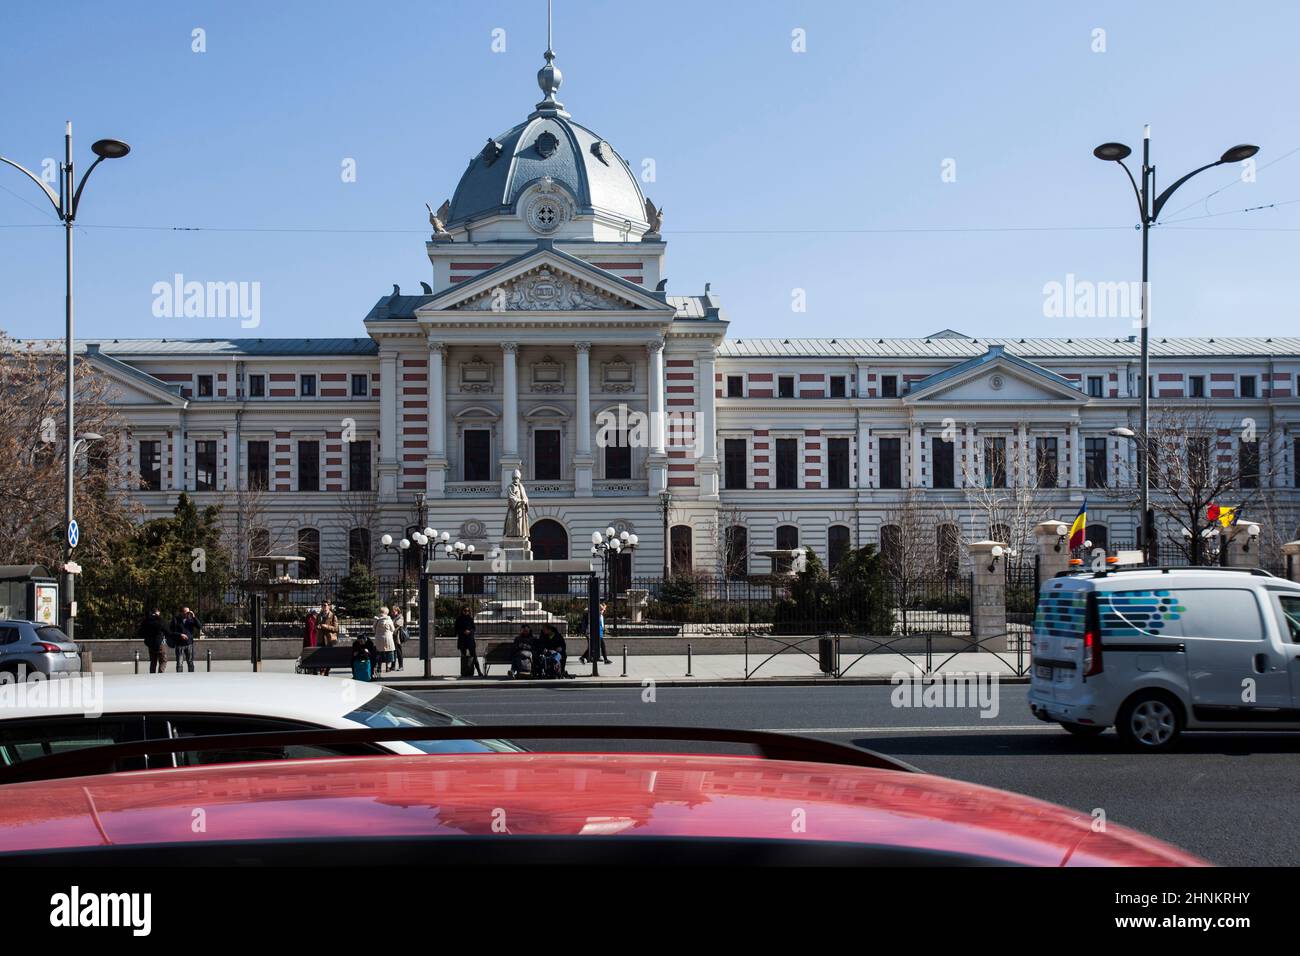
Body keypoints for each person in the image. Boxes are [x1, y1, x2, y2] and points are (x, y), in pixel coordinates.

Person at [454, 605, 483, 677]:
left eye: (468, 611)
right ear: (462, 611)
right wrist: (463, 631)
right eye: (465, 611)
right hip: (462, 640)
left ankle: (479, 671)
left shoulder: (470, 619)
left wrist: (469, 631)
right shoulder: (459, 619)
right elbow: (456, 630)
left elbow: (474, 628)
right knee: (463, 657)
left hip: (470, 640)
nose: (466, 612)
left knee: (474, 656)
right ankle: (464, 671)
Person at [137, 609, 168, 674]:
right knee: (163, 660)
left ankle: (152, 675)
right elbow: (166, 629)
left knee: (153, 661)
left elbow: (140, 632)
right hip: (160, 643)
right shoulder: (159, 620)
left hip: (151, 644)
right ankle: (160, 674)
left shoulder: (146, 621)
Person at [172, 606, 201, 672]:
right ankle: (179, 678)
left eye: (188, 612)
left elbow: (199, 626)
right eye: (186, 612)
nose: (187, 614)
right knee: (179, 663)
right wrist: (180, 635)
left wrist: (194, 617)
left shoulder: (191, 620)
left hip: (189, 644)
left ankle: (191, 677)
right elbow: (171, 631)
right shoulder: (176, 620)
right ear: (182, 613)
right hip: (179, 644)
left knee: (190, 662)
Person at [372, 610, 396, 675]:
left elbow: (373, 629)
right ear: (387, 612)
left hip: (379, 639)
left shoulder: (376, 620)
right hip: (388, 638)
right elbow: (393, 629)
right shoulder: (389, 620)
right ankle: (387, 667)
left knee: (379, 653)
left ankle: (379, 667)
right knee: (388, 653)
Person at [389, 605, 405, 672]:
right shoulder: (394, 617)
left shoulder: (400, 617)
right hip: (393, 636)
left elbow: (398, 626)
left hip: (397, 637)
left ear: (397, 611)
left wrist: (392, 629)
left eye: (393, 611)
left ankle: (401, 666)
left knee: (398, 651)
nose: (392, 612)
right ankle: (393, 666)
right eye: (392, 611)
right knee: (393, 651)